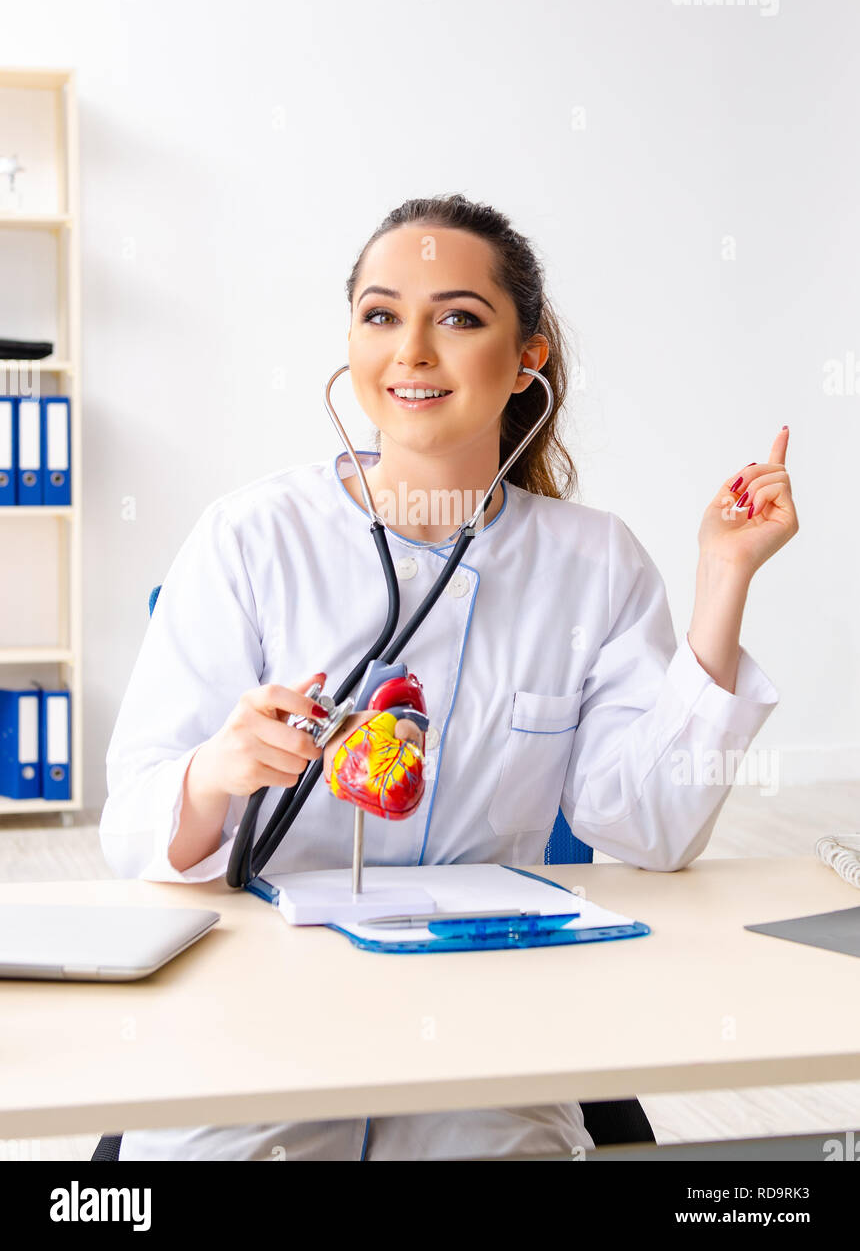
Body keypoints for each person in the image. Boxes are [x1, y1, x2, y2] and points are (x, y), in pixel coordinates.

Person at [100, 192, 798, 1160]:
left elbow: (647, 827)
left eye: (458, 317)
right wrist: (216, 771)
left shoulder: (589, 561)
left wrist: (722, 578)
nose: (411, 351)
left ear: (526, 360)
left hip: (489, 1017)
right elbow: (129, 820)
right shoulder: (251, 537)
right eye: (381, 315)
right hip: (264, 1004)